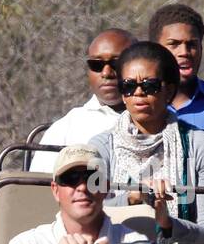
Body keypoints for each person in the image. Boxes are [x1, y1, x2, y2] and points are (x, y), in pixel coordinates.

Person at [87, 41, 204, 244]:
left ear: (169, 90)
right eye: (129, 86)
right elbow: (88, 217)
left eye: (150, 85)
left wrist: (168, 224)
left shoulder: (200, 145)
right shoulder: (100, 147)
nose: (139, 93)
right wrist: (132, 198)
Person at [2, 144, 149, 244]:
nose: (82, 187)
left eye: (93, 179)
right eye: (70, 178)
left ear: (106, 188)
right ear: (55, 190)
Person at [30, 28, 136, 173]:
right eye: (96, 65)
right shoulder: (65, 129)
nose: (106, 73)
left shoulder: (164, 122)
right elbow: (41, 190)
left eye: (116, 63)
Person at [149, 3, 204, 153]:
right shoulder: (135, 103)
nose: (184, 52)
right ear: (154, 49)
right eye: (174, 44)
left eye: (192, 44)